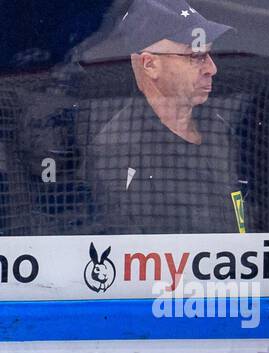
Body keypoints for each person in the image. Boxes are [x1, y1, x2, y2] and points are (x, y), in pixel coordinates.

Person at [88, 0, 246, 234]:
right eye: (196, 56)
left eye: (209, 55)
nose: (212, 68)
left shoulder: (221, 127)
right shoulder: (119, 148)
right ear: (150, 65)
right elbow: (128, 249)